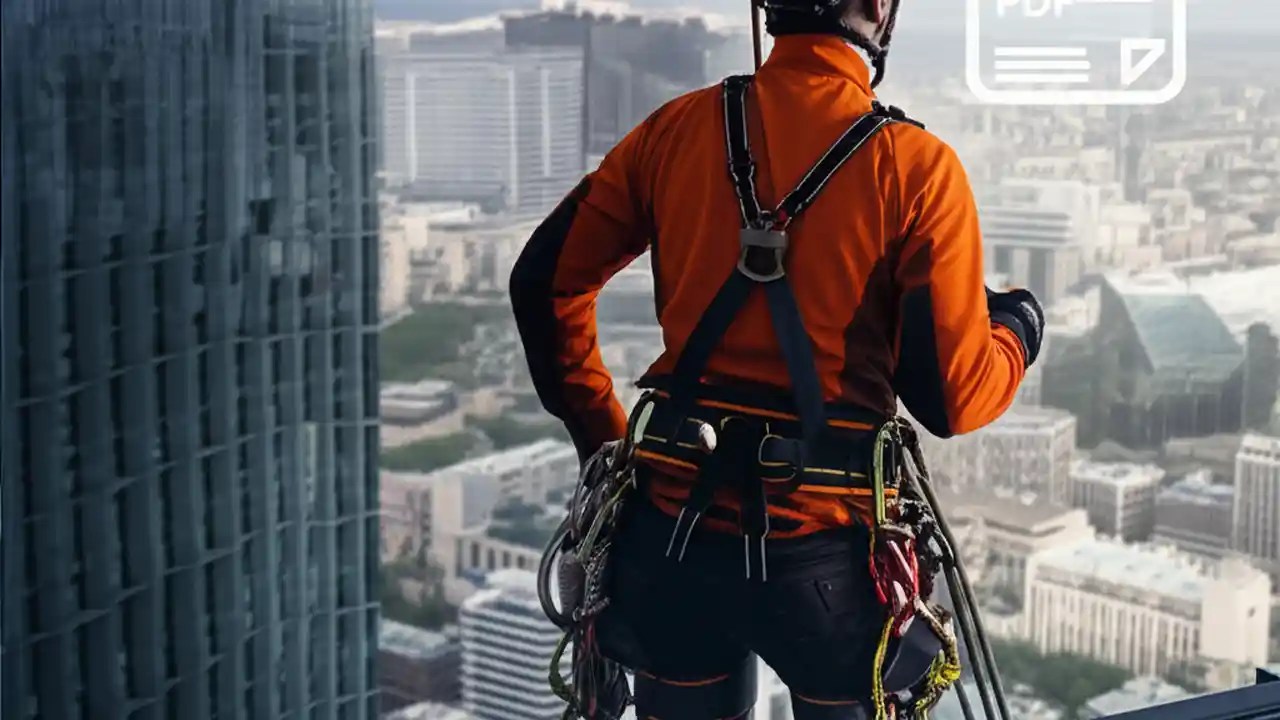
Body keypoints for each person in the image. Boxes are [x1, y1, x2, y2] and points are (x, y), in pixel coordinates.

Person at [510, 1, 1045, 718]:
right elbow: (954, 397)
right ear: (880, 10)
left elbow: (546, 282)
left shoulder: (677, 132)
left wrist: (602, 433)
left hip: (671, 540)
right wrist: (1016, 329)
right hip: (828, 561)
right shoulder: (915, 169)